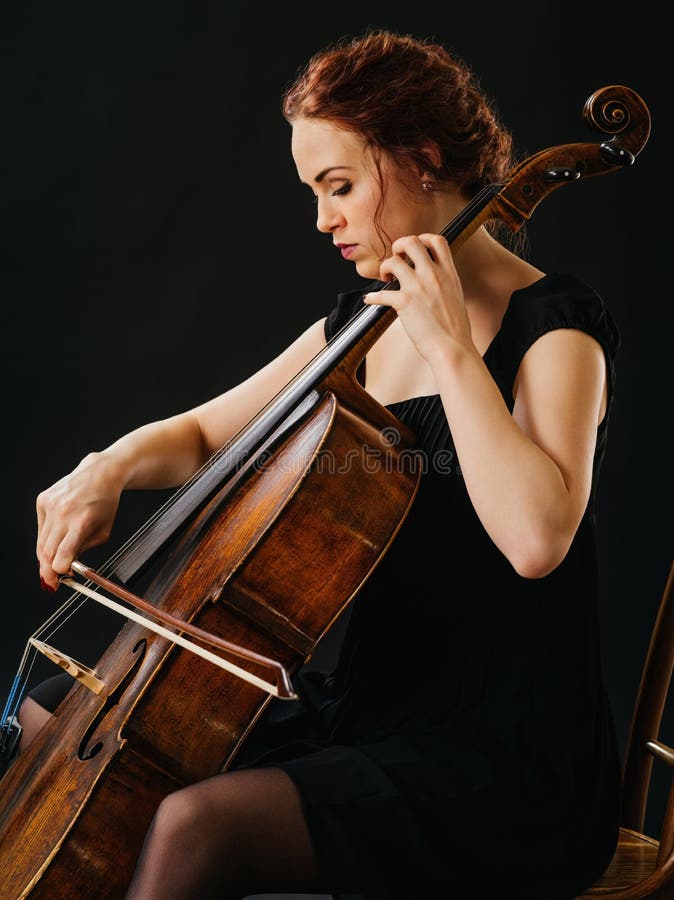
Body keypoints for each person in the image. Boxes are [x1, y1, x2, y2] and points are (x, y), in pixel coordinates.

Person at [19, 29, 622, 899]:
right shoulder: (359, 328)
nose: (322, 219)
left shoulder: (556, 326)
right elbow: (202, 435)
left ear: (422, 162)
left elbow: (536, 540)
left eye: (339, 187)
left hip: (506, 761)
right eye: (314, 192)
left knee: (198, 826)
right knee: (56, 718)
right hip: (370, 715)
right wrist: (104, 466)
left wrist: (451, 348)